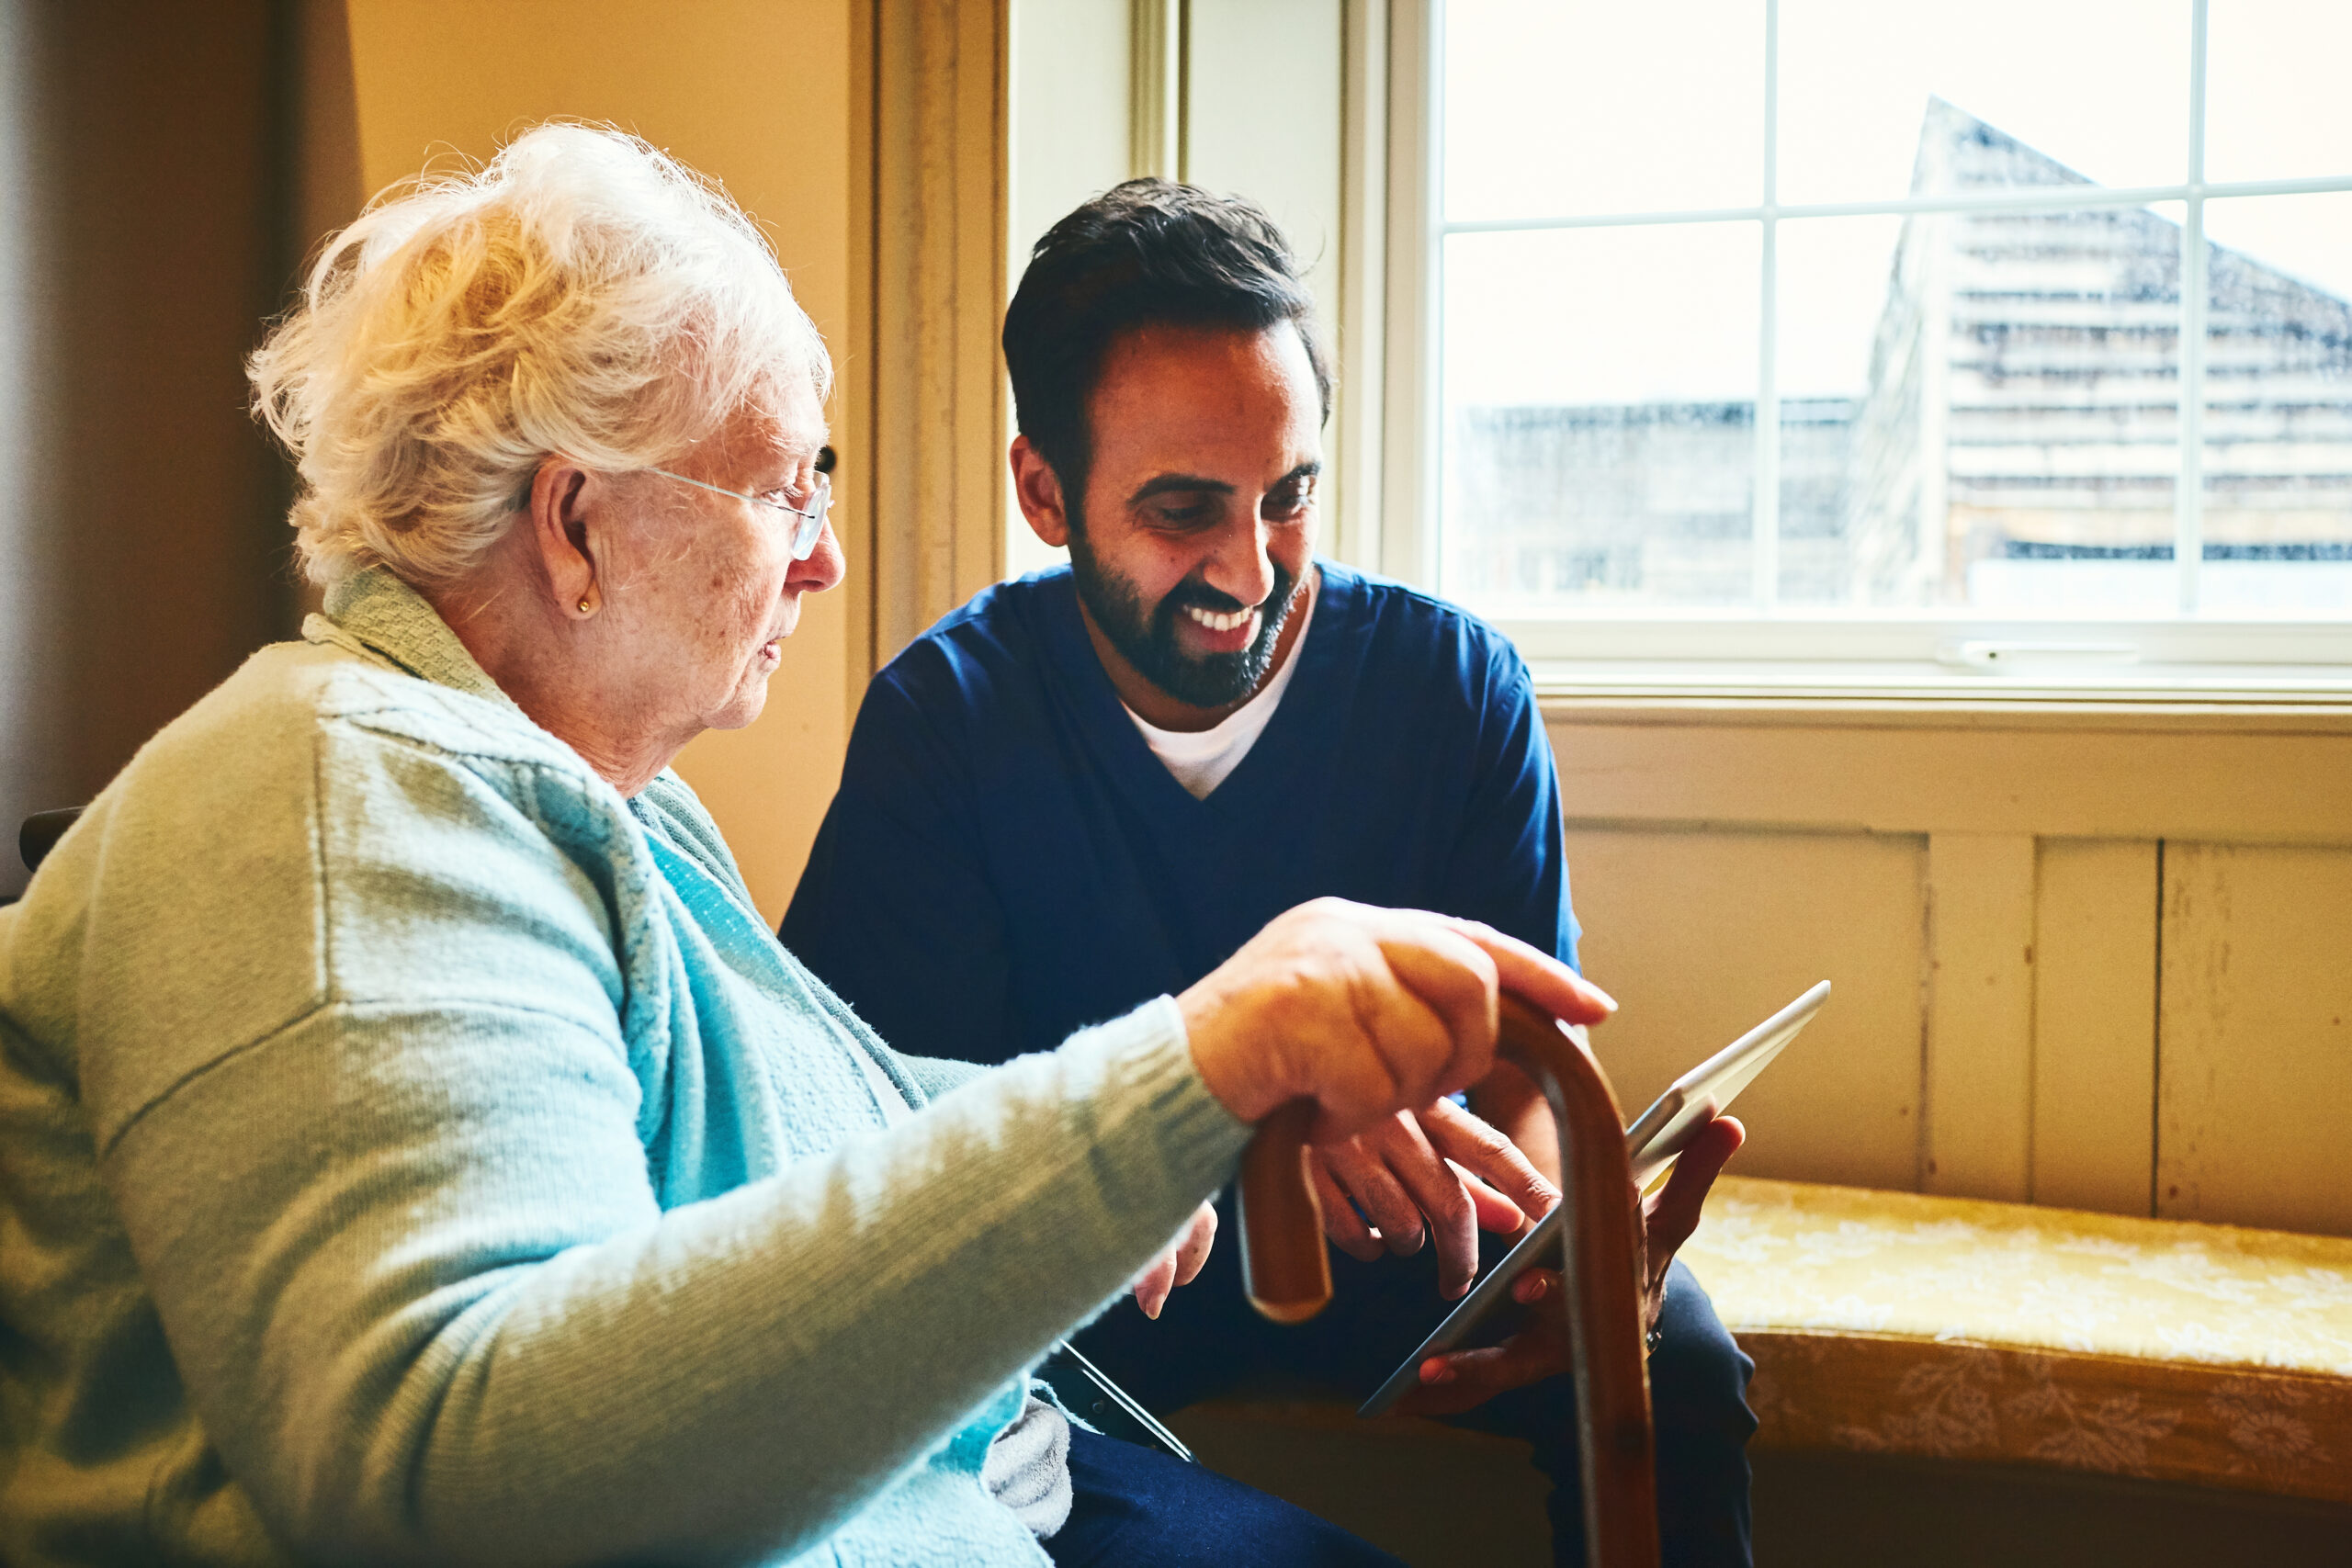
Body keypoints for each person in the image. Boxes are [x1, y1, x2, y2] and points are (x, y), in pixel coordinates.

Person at [0, 128, 1616, 1568]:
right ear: (575, 525)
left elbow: (791, 1136)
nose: (828, 557)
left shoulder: (597, 807)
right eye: (782, 487)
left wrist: (1208, 1118)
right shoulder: (335, 806)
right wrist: (1191, 1067)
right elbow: (462, 1470)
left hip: (983, 1490)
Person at [783, 179, 1758, 1566]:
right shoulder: (949, 724)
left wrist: (1560, 1252)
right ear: (1044, 492)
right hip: (1103, 1285)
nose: (1252, 567)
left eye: (1288, 499)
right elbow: (873, 1138)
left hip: (1401, 1256)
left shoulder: (1450, 685)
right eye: (1186, 511)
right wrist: (1243, 1121)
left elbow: (1523, 1074)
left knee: (1679, 1368)